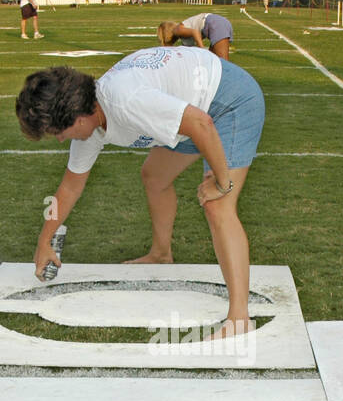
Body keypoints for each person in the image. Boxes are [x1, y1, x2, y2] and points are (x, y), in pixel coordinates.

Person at [15, 48, 265, 339]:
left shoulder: (126, 101)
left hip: (228, 101)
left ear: (78, 116)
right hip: (194, 111)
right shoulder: (92, 121)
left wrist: (223, 183)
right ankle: (161, 254)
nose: (59, 138)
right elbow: (69, 186)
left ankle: (239, 319)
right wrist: (44, 240)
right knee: (154, 176)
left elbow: (202, 123)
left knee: (218, 206)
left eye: (59, 131)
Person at [157, 13, 233, 60]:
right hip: (219, 23)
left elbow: (195, 32)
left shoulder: (177, 30)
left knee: (223, 65)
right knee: (213, 62)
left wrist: (202, 50)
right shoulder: (182, 35)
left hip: (216, 24)